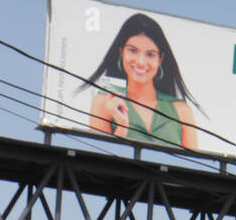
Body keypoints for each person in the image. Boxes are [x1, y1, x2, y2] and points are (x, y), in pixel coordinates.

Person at [81, 13, 199, 150]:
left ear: (160, 59)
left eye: (150, 54)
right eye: (133, 50)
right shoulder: (104, 102)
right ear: (121, 52)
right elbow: (99, 159)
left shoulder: (181, 111)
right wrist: (122, 127)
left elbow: (195, 165)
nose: (141, 62)